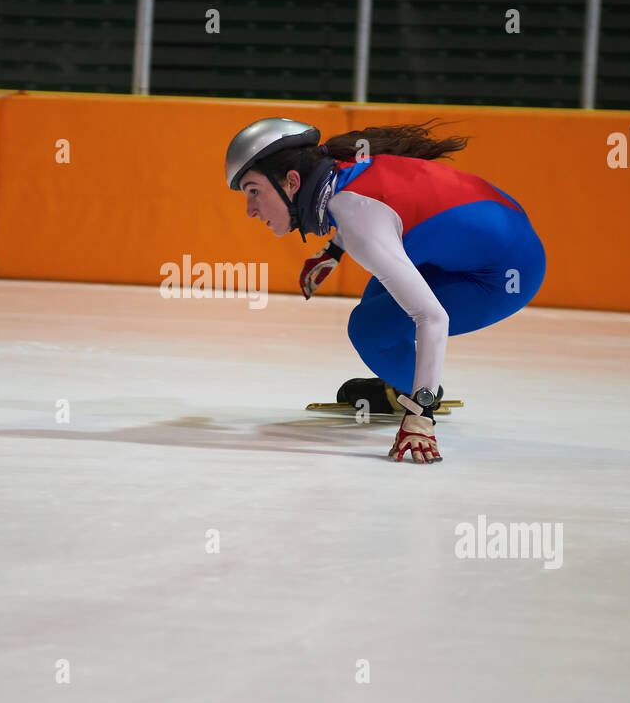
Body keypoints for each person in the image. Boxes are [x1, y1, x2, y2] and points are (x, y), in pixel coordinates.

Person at [225, 117, 546, 465]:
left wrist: (421, 415)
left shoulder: (356, 218)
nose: (250, 210)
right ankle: (403, 381)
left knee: (369, 328)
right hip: (496, 233)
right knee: (377, 305)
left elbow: (432, 318)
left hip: (504, 274)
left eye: (254, 190)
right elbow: (378, 205)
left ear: (292, 182)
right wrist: (333, 251)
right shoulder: (342, 171)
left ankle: (419, 391)